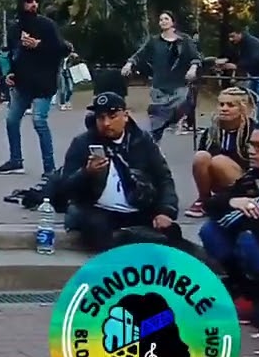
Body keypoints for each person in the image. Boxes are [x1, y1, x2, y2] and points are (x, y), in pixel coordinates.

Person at [198, 119, 259, 321]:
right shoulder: (255, 175)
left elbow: (256, 219)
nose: (252, 151)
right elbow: (210, 204)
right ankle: (239, 288)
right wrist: (234, 200)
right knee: (210, 230)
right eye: (250, 144)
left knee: (247, 238)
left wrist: (232, 209)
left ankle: (258, 294)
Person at [59, 92, 182, 252]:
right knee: (97, 230)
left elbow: (163, 178)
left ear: (125, 116)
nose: (106, 123)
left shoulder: (142, 141)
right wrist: (86, 172)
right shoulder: (82, 143)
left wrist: (165, 211)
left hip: (138, 208)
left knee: (172, 234)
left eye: (112, 116)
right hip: (99, 211)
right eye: (100, 118)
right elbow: (64, 189)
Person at [0, 0, 67, 177]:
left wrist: (39, 45)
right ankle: (16, 161)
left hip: (44, 82)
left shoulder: (47, 25)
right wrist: (8, 73)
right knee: (11, 120)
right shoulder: (15, 28)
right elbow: (8, 53)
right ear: (21, 4)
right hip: (22, 83)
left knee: (39, 121)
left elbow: (62, 49)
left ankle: (49, 169)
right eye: (28, 1)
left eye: (35, 1)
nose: (33, 4)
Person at [121, 11, 201, 142]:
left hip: (179, 85)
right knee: (156, 121)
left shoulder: (184, 40)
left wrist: (193, 68)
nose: (163, 21)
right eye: (161, 19)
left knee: (183, 105)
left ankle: (175, 123)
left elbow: (196, 57)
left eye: (166, 19)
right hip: (160, 86)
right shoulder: (154, 41)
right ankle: (153, 147)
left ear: (172, 22)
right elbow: (139, 54)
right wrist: (129, 64)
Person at [184, 87, 256, 218]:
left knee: (218, 160)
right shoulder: (211, 132)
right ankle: (204, 200)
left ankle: (234, 199)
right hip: (217, 179)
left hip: (245, 181)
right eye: (221, 104)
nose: (224, 108)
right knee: (201, 156)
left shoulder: (253, 131)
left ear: (242, 108)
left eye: (230, 105)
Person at [220, 26, 259, 120]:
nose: (231, 39)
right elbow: (235, 56)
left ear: (240, 34)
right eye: (229, 37)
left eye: (233, 36)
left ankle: (257, 121)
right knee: (250, 97)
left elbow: (254, 58)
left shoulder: (251, 42)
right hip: (255, 73)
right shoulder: (239, 44)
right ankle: (250, 119)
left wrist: (236, 66)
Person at [56, 42, 79, 111]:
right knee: (62, 89)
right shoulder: (60, 56)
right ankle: (62, 103)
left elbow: (76, 62)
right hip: (61, 72)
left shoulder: (71, 57)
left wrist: (74, 58)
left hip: (68, 72)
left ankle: (67, 101)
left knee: (70, 88)